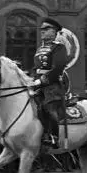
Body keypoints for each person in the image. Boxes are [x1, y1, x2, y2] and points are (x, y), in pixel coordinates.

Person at [29, 17, 69, 151]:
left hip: (52, 86)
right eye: (42, 29)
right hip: (38, 85)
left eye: (46, 29)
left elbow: (58, 67)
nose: (42, 32)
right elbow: (35, 67)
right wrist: (31, 79)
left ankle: (53, 136)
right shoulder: (39, 49)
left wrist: (42, 80)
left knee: (49, 108)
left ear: (55, 31)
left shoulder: (59, 47)